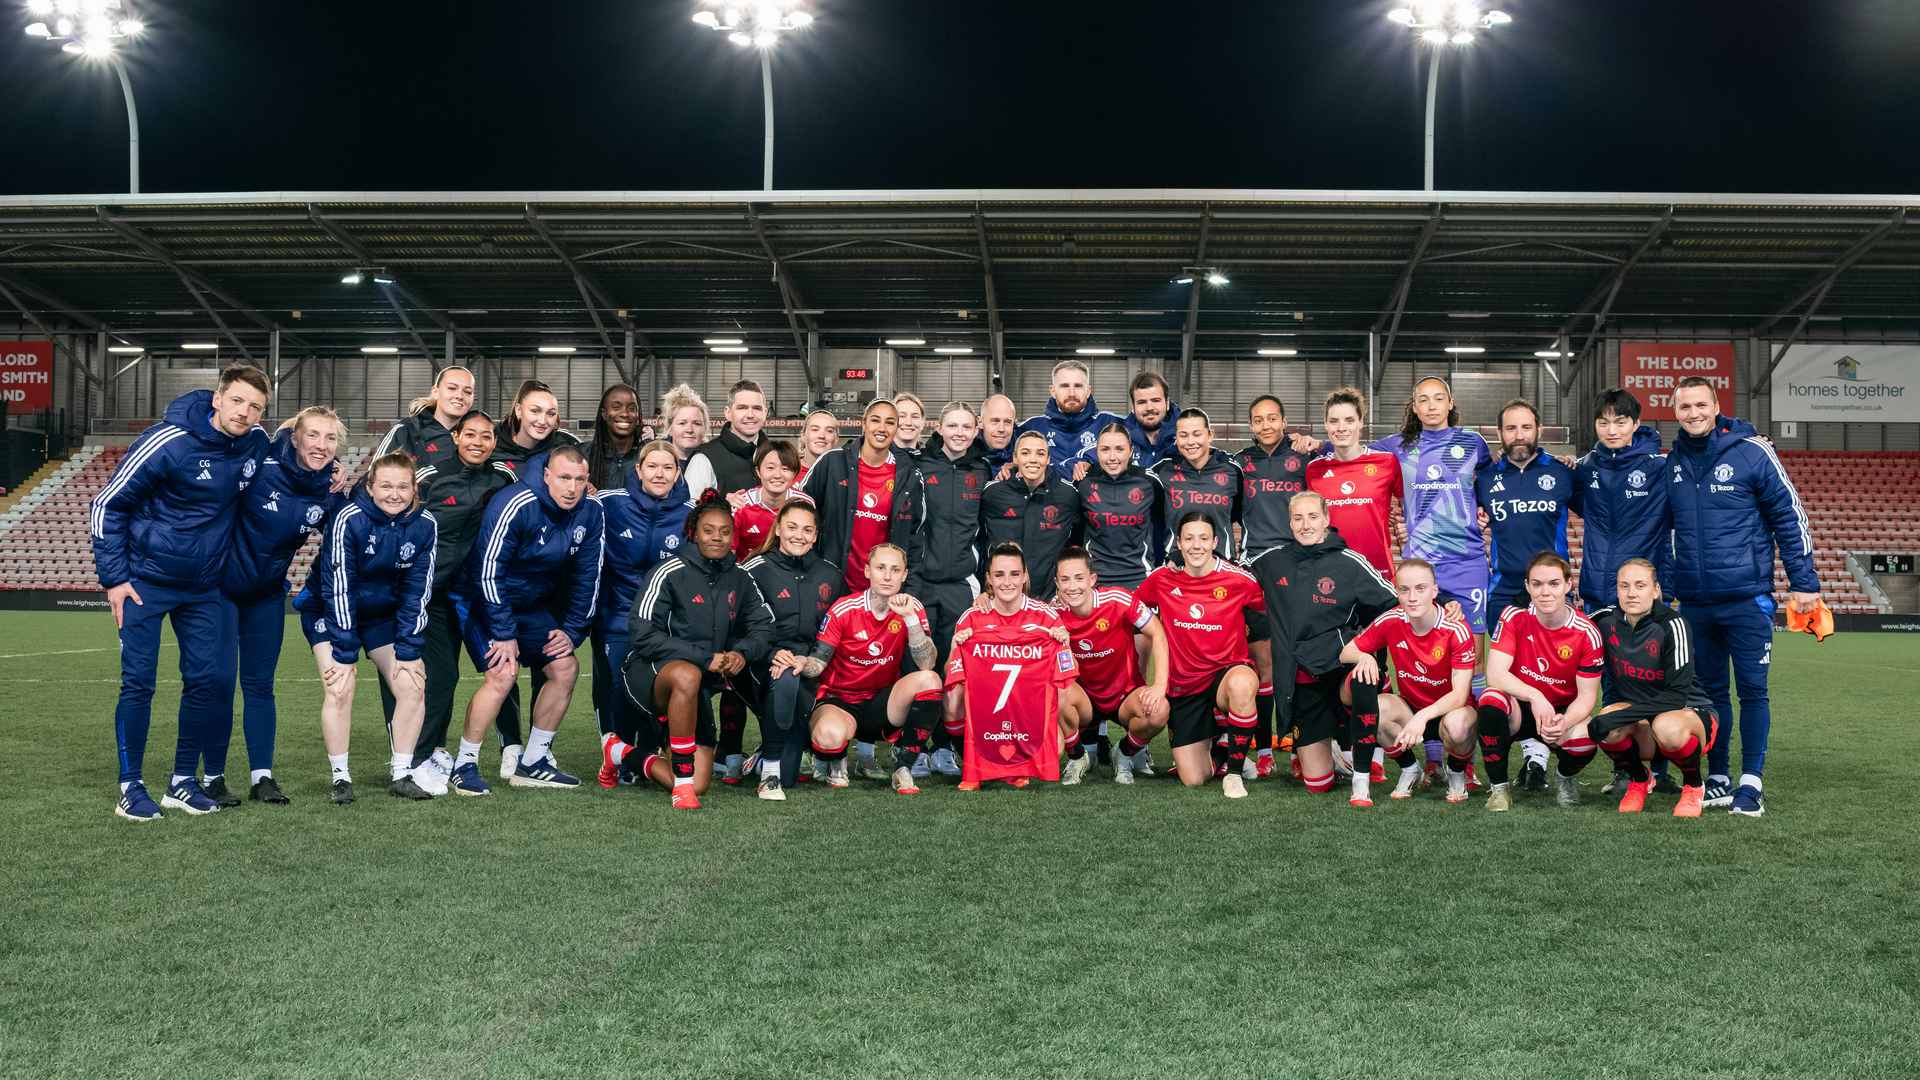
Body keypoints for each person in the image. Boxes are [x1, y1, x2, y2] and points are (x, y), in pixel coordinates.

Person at [93, 368, 271, 822]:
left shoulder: (253, 444)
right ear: (218, 398)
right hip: (145, 582)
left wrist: (330, 472)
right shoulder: (169, 439)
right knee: (139, 683)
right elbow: (106, 504)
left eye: (255, 407)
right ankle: (130, 786)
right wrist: (114, 579)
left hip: (204, 588)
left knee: (208, 683)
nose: (245, 413)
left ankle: (181, 781)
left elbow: (292, 458)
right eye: (238, 401)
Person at [1666, 375, 1818, 816]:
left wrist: (1804, 581)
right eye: (1684, 407)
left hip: (1747, 597)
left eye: (1700, 405)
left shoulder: (1753, 452)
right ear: (1675, 412)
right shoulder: (1671, 462)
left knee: (1752, 691)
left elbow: (1790, 517)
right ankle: (1718, 778)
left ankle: (1751, 783)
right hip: (1694, 603)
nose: (1692, 414)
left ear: (1716, 407)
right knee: (1709, 694)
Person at [448, 444, 605, 795]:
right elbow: (488, 572)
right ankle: (465, 764)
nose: (572, 487)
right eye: (564, 478)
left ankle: (533, 761)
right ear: (547, 475)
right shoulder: (516, 503)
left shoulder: (591, 512)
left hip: (531, 606)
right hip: (483, 601)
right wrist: (503, 632)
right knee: (502, 674)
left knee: (565, 667)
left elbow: (588, 576)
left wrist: (572, 630)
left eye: (580, 480)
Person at [381, 409, 521, 790]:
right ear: (456, 437)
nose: (478, 442)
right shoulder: (430, 475)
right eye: (470, 434)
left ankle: (507, 749)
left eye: (487, 436)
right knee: (440, 678)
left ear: (494, 442)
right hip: (431, 595)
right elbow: (395, 510)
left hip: (475, 595)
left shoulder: (504, 477)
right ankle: (418, 757)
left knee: (502, 669)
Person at [215, 405, 348, 806]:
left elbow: (346, 532)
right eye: (314, 435)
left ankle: (262, 777)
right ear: (295, 437)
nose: (321, 445)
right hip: (219, 591)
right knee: (218, 684)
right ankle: (212, 777)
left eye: (330, 438)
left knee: (260, 686)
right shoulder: (261, 464)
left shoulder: (329, 488)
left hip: (268, 594)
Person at [607, 495, 776, 809]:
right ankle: (681, 781)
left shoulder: (739, 577)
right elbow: (642, 634)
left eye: (724, 532)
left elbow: (764, 627)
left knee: (703, 784)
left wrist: (741, 653)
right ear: (694, 533)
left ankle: (621, 753)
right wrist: (705, 657)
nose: (716, 537)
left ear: (733, 535)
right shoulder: (669, 572)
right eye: (708, 530)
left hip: (696, 689)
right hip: (651, 677)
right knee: (688, 672)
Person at [291, 451, 440, 803]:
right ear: (371, 487)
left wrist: (407, 650)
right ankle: (341, 778)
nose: (394, 494)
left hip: (381, 616)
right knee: (341, 686)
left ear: (414, 488)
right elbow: (338, 586)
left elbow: (418, 592)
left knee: (412, 683)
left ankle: (402, 773)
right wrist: (344, 652)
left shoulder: (425, 525)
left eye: (403, 487)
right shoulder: (349, 518)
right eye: (386, 485)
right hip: (329, 609)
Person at [1251, 492, 1396, 798]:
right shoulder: (1272, 562)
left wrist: (1444, 604)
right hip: (1303, 682)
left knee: (1362, 679)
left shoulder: (1350, 562)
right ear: (1290, 523)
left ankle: (1363, 773)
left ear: (1327, 520)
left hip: (1340, 670)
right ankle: (1330, 752)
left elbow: (1393, 602)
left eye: (1313, 517)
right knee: (1317, 784)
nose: (1306, 525)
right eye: (1298, 518)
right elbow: (1231, 576)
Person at [1572, 388, 1678, 795]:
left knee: (1656, 681)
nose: (1611, 429)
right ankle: (1627, 770)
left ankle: (1664, 770)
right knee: (1614, 685)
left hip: (1647, 595)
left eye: (1620, 421)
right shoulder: (1586, 468)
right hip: (1601, 592)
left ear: (1636, 424)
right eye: (1603, 421)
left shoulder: (1659, 467)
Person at [787, 543, 945, 795]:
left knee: (931, 680)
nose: (887, 575)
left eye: (895, 569)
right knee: (829, 737)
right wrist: (801, 663)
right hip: (840, 701)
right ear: (867, 571)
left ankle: (903, 768)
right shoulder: (845, 609)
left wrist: (911, 620)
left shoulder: (911, 608)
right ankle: (834, 759)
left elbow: (927, 664)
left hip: (881, 704)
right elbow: (818, 663)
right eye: (881, 567)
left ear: (904, 575)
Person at [1134, 513, 1265, 797]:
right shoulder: (1162, 579)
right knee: (1193, 778)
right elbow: (1131, 610)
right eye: (1189, 538)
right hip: (1184, 686)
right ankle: (1220, 750)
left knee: (1242, 684)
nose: (1197, 546)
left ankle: (1233, 772)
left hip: (1226, 674)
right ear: (1178, 543)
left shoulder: (1239, 580)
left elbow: (1268, 613)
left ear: (1215, 542)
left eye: (1204, 538)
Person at [943, 543, 1090, 789]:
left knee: (1061, 697)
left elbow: (1069, 670)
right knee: (952, 696)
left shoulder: (1045, 616)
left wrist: (1063, 645)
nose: (1007, 582)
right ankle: (969, 757)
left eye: (1014, 574)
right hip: (987, 708)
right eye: (999, 575)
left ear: (1025, 577)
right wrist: (957, 646)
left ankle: (1068, 754)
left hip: (1028, 709)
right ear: (989, 579)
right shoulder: (972, 617)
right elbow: (950, 671)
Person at [590, 440, 692, 787]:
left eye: (668, 467)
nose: (659, 474)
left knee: (650, 689)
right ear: (638, 470)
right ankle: (617, 752)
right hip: (617, 616)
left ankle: (645, 753)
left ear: (678, 473)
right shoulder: (609, 502)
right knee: (617, 687)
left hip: (665, 624)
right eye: (652, 466)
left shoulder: (690, 513)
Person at [1337, 560, 1478, 806]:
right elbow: (1345, 652)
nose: (1412, 597)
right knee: (1377, 709)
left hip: (1451, 710)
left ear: (1435, 591)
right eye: (1404, 590)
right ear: (1397, 591)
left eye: (1420, 589)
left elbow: (1459, 695)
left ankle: (1456, 772)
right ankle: (1410, 769)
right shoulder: (1392, 620)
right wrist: (1364, 656)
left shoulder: (1456, 629)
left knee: (1458, 726)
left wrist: (1421, 718)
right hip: (1410, 708)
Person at [1587, 559, 1719, 817]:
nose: (1631, 593)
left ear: (1656, 590)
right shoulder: (1605, 620)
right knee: (1607, 725)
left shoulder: (1673, 624)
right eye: (1624, 586)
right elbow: (1567, 624)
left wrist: (1617, 717)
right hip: (1643, 719)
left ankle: (1693, 784)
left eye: (1640, 585)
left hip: (1688, 715)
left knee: (1664, 726)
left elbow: (1675, 696)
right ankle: (1640, 779)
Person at [1477, 553, 1605, 812]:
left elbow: (1587, 697)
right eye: (1537, 584)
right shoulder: (1514, 615)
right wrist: (1535, 696)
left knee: (1587, 736)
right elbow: (1496, 674)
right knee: (1491, 699)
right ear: (1527, 586)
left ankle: (1565, 778)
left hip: (1558, 713)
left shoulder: (1587, 632)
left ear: (1568, 585)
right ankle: (1499, 788)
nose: (1545, 592)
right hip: (1521, 706)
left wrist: (1565, 722)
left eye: (1553, 584)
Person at [907, 401, 993, 778]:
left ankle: (944, 745)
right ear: (938, 428)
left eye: (967, 427)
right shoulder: (919, 467)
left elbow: (987, 532)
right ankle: (913, 747)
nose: (959, 432)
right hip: (923, 582)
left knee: (953, 666)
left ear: (976, 431)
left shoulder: (983, 470)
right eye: (952, 425)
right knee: (917, 664)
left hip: (960, 585)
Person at [741, 502, 843, 798]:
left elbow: (839, 628)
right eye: (792, 527)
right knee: (785, 675)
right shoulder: (754, 569)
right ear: (778, 529)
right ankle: (769, 771)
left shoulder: (830, 575)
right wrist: (771, 651)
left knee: (791, 778)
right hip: (763, 665)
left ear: (815, 536)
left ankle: (772, 755)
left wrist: (812, 659)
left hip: (811, 667)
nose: (799, 535)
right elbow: (736, 628)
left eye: (807, 530)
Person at [1233, 395, 1308, 777]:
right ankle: (1263, 750)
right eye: (1258, 419)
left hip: (1297, 570)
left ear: (1284, 420)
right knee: (1263, 663)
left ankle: (1295, 743)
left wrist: (1319, 444)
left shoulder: (1304, 458)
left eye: (1272, 418)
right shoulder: (1240, 463)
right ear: (1251, 425)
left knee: (1295, 662)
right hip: (1256, 571)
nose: (1265, 425)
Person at [1051, 547, 1171, 785]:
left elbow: (1157, 631)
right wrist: (985, 599)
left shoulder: (1117, 599)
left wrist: (1158, 685)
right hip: (1084, 700)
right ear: (1056, 582)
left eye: (1079, 578)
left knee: (1160, 710)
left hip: (1124, 695)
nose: (1072, 586)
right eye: (1065, 579)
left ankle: (1124, 753)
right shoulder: (1052, 614)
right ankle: (1078, 757)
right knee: (1057, 691)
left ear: (1092, 579)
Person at [800, 397, 925, 594]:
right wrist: (811, 568)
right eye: (875, 420)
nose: (882, 428)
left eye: (890, 422)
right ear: (864, 423)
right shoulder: (832, 462)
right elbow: (799, 511)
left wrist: (910, 590)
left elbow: (916, 538)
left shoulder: (909, 475)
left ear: (896, 428)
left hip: (883, 588)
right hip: (831, 583)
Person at [1475, 399, 1574, 620]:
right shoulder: (1485, 477)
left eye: (1526, 427)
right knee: (1502, 655)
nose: (1519, 435)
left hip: (1551, 587)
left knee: (1553, 655)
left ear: (1539, 429)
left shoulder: (1563, 472)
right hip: (1504, 589)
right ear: (1500, 433)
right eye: (1511, 428)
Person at [1306, 387, 1401, 576]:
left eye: (1349, 420)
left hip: (1378, 572)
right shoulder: (1314, 470)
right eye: (1334, 421)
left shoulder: (1387, 462)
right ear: (1325, 424)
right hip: (1330, 572)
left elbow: (1410, 505)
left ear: (1361, 423)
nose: (1341, 428)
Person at [981, 431, 1082, 602]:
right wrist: (984, 590)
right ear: (1015, 458)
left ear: (1049, 459)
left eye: (1040, 453)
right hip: (1002, 599)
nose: (1033, 459)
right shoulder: (992, 493)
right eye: (1025, 453)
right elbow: (979, 543)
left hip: (1051, 600)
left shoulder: (1068, 495)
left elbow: (1077, 544)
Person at [1077, 422, 1164, 590]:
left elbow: (1163, 526)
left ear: (1131, 451)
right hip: (1095, 579)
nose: (1112, 457)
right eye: (1105, 449)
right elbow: (1075, 530)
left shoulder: (1149, 482)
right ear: (1096, 452)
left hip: (1139, 576)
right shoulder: (1084, 483)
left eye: (1119, 449)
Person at [1149, 409, 1242, 562]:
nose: (1190, 441)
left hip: (1222, 567)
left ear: (1210, 435)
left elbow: (1240, 515)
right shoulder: (1162, 471)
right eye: (1183, 435)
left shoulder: (1232, 470)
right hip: (1176, 566)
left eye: (1197, 434)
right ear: (1176, 438)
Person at [1016, 360, 1124, 481]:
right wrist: (1010, 466)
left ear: (1088, 391)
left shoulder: (1108, 423)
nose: (1071, 393)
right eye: (1064, 386)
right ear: (1052, 391)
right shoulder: (1032, 427)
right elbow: (999, 446)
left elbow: (1142, 434)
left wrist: (1090, 457)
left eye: (1078, 386)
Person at [374, 365, 475, 473]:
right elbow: (374, 479)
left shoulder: (480, 437)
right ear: (435, 392)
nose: (460, 396)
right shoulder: (404, 431)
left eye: (468, 391)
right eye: (452, 388)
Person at [1073, 371, 1181, 470]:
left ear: (1167, 404)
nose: (1149, 407)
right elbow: (1084, 458)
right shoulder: (1121, 434)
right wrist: (1083, 463)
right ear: (1133, 407)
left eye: (1156, 400)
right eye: (1142, 402)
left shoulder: (1185, 436)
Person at [731, 439, 812, 563]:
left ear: (795, 474)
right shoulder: (741, 505)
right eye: (770, 468)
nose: (777, 475)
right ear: (758, 471)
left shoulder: (804, 504)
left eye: (785, 469)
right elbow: (729, 553)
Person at [684, 379, 768, 498]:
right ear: (728, 413)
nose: (750, 415)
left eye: (757, 408)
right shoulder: (704, 459)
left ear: (765, 413)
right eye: (742, 408)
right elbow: (690, 511)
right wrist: (723, 505)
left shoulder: (776, 454)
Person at [491, 379, 582, 471]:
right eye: (534, 411)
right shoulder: (492, 445)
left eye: (551, 414)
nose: (543, 421)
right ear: (518, 410)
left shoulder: (568, 444)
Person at [585, 383, 644, 491]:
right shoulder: (583, 455)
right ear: (604, 413)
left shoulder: (649, 455)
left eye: (632, 408)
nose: (625, 414)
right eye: (616, 407)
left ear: (638, 415)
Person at [661, 383, 712, 462]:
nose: (690, 430)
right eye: (682, 423)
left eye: (697, 423)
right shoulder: (653, 459)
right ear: (670, 428)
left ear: (705, 428)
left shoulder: (715, 459)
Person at [975, 393, 1018, 474]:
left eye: (1007, 422)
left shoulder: (1024, 456)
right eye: (995, 421)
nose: (1001, 429)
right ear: (980, 422)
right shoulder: (964, 453)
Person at [796, 407, 840, 483]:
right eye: (815, 429)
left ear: (836, 439)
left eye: (829, 431)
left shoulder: (845, 473)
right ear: (803, 436)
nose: (821, 436)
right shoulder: (787, 470)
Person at [892, 392, 927, 457]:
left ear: (922, 423)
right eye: (902, 416)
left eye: (915, 417)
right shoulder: (877, 460)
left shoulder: (932, 462)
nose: (908, 423)